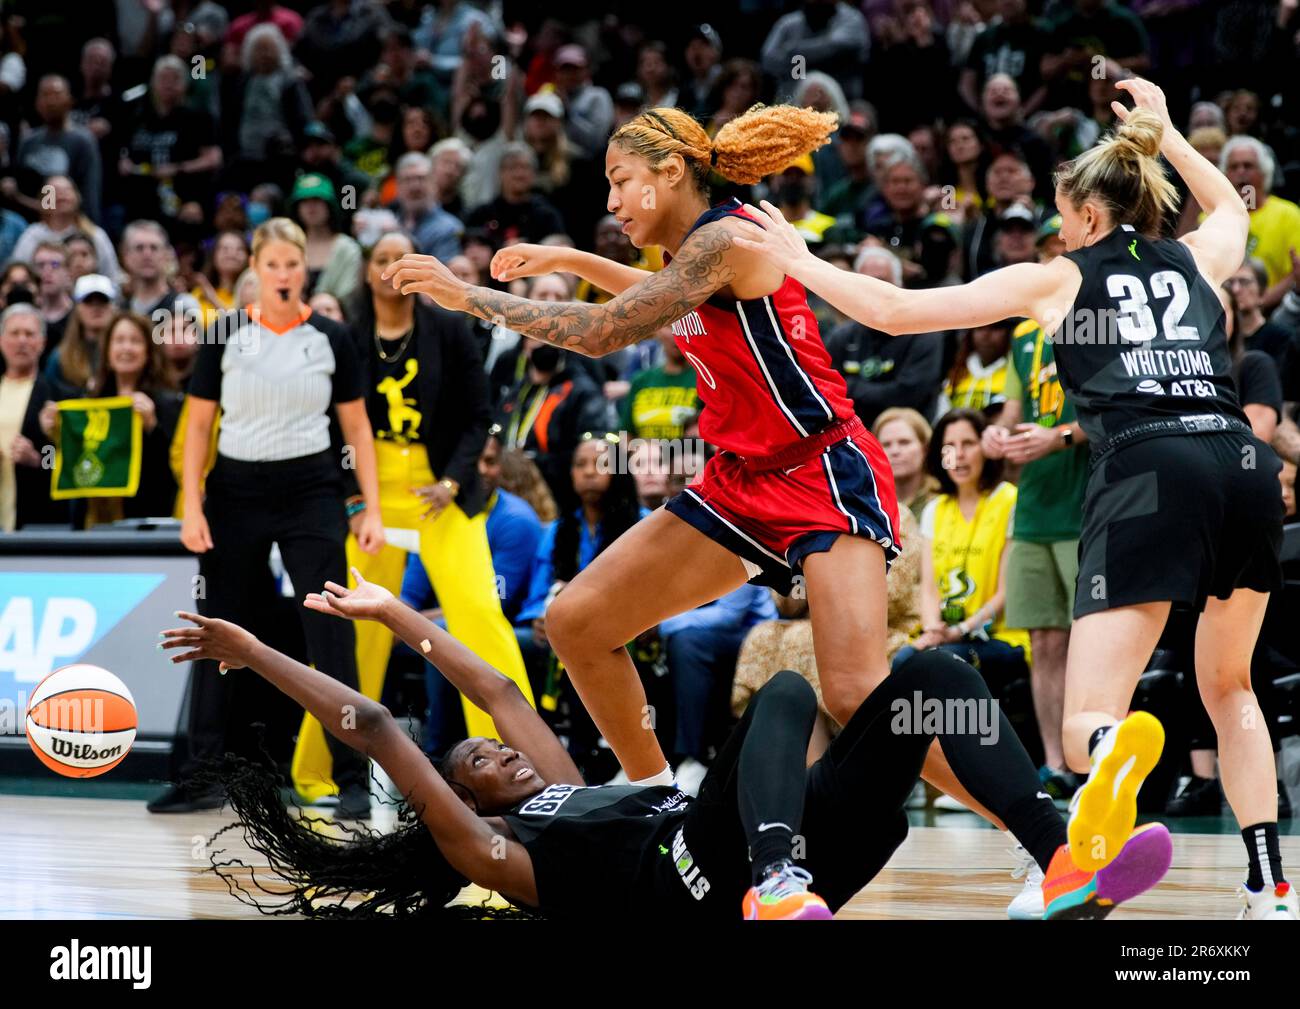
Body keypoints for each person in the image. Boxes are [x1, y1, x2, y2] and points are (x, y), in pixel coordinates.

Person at [734, 78, 1297, 919]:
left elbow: (894, 310)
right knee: (1233, 687)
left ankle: (1108, 754)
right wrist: (1169, 132)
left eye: (1065, 216)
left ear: (1089, 219)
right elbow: (1230, 210)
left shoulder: (1057, 279)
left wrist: (802, 260)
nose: (1060, 230)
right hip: (1244, 464)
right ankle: (1273, 887)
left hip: (1150, 466)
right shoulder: (1196, 260)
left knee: (1083, 719)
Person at [382, 102, 998, 826]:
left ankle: (1031, 821)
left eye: (621, 181)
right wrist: (567, 259)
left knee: (855, 692)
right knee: (577, 620)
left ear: (671, 172)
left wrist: (467, 298)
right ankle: (659, 801)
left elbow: (608, 330)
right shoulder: (691, 256)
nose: (611, 202)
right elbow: (657, 304)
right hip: (741, 482)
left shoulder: (729, 240)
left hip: (821, 468)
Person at [158, 579, 1174, 920]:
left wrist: (397, 614)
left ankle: (1061, 857)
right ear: (458, 801)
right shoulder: (497, 855)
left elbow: (499, 684)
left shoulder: (558, 786)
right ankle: (775, 874)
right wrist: (255, 650)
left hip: (815, 845)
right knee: (781, 685)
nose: (498, 753)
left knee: (932, 684)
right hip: (706, 882)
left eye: (493, 750)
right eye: (473, 761)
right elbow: (376, 726)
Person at [291, 232, 535, 800]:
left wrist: (451, 483)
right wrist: (356, 501)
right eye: (380, 259)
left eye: (401, 258)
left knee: (478, 620)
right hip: (374, 490)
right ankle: (321, 772)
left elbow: (480, 416)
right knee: (348, 630)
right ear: (366, 270)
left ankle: (526, 767)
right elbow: (333, 428)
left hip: (438, 489)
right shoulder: (348, 336)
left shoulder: (449, 329)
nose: (390, 269)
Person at [158, 217, 385, 819]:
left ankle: (353, 778)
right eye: (273, 265)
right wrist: (191, 505)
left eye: (293, 264)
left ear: (303, 270)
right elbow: (200, 425)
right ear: (254, 270)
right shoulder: (223, 335)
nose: (284, 274)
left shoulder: (332, 336)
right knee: (216, 627)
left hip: (311, 487)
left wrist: (370, 507)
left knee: (329, 625)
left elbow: (357, 428)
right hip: (233, 490)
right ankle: (204, 774)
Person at [0, 303, 67, 530]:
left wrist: (38, 461)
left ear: (42, 343)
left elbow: (62, 458)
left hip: (34, 519)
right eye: (14, 333)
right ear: (1, 341)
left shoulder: (58, 396)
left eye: (29, 334)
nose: (22, 341)